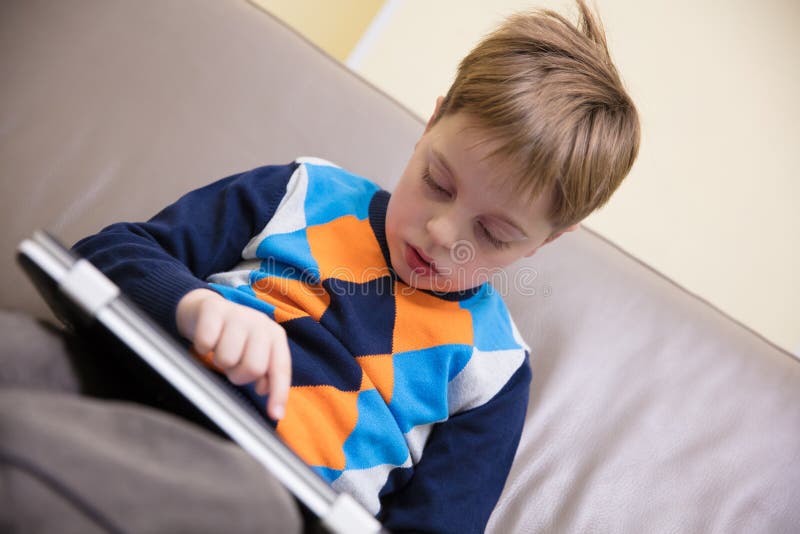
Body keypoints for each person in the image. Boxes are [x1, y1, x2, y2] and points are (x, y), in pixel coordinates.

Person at [72, 1, 639, 531]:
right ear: (430, 124)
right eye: (437, 183)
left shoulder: (493, 373)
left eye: (490, 233)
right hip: (139, 397)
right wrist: (191, 306)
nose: (442, 233)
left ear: (543, 243)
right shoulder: (302, 192)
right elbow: (104, 255)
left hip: (266, 500)